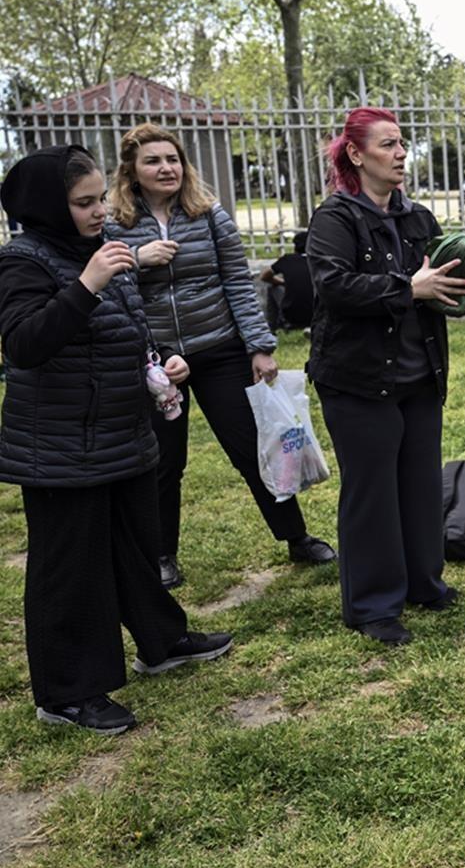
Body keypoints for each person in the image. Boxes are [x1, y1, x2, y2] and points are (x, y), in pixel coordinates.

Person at [0, 145, 233, 735]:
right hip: (60, 447)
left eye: (100, 197)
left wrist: (163, 363)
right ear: (49, 207)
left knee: (136, 545)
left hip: (122, 432)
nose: (99, 210)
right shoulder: (21, 261)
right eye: (83, 202)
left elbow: (127, 332)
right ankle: (68, 692)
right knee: (69, 569)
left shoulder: (105, 252)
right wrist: (86, 285)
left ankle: (162, 640)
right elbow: (25, 344)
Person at [105, 123, 335, 589]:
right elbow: (103, 281)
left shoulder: (209, 214)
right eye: (153, 161)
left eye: (173, 159)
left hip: (219, 348)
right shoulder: (115, 224)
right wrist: (136, 255)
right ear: (131, 170)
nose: (166, 168)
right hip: (156, 362)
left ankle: (295, 536)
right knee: (164, 462)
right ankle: (163, 554)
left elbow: (237, 282)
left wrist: (259, 345)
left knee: (254, 448)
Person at [305, 107, 465, 646]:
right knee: (372, 491)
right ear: (356, 154)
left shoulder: (417, 217)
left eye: (402, 144)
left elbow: (442, 281)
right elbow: (334, 287)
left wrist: (460, 276)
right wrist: (408, 288)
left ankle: (424, 582)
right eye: (388, 145)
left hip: (418, 373)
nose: (401, 154)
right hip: (356, 379)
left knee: (420, 484)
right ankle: (374, 606)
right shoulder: (335, 218)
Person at [259, 230, 315, 333]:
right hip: (318, 314)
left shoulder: (287, 260)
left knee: (273, 288)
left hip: (292, 316)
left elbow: (264, 276)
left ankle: (271, 328)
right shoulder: (318, 260)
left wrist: (282, 282)